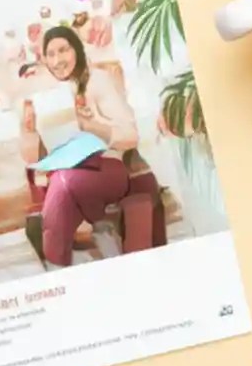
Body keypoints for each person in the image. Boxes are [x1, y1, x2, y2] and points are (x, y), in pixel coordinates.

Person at [18, 26, 153, 268]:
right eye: (50, 54)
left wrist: (90, 126)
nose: (58, 60)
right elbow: (32, 159)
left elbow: (131, 136)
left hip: (110, 168)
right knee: (61, 182)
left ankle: (58, 267)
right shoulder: (49, 95)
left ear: (77, 50)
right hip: (66, 174)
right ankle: (102, 235)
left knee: (63, 183)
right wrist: (28, 130)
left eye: (63, 50)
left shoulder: (98, 80)